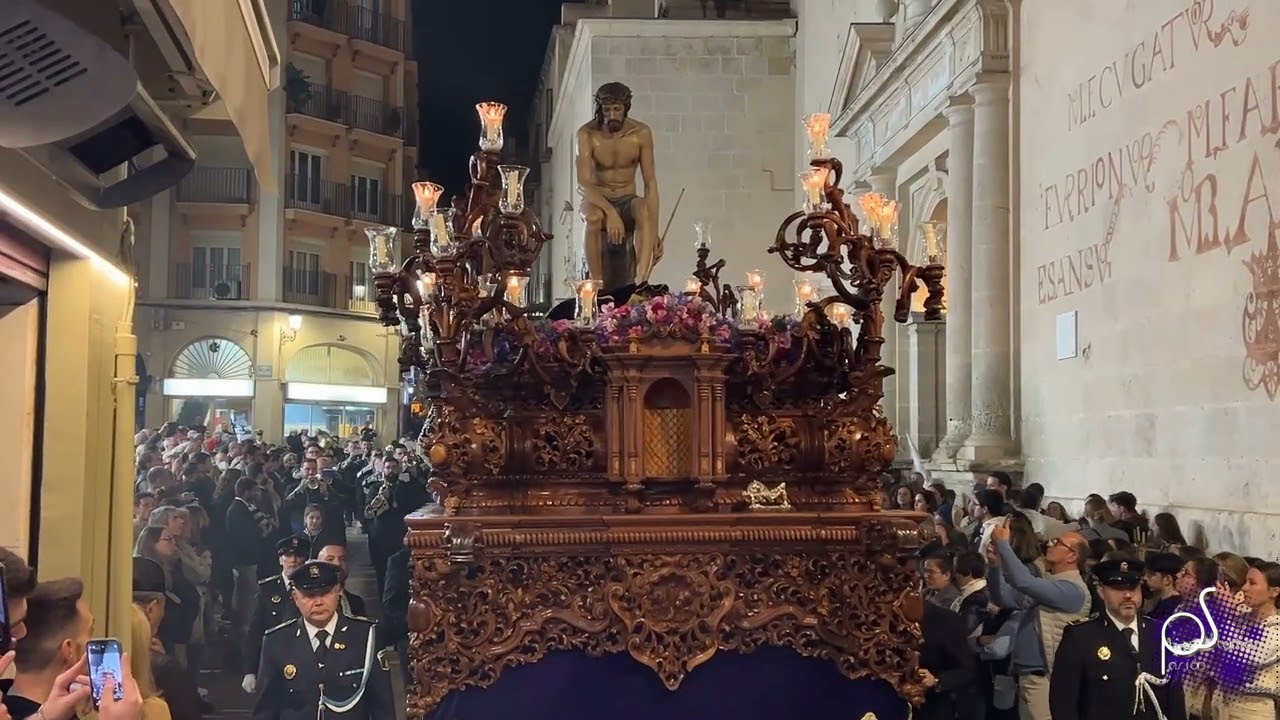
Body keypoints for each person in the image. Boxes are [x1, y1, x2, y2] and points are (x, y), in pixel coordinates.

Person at [1049, 555, 1188, 720]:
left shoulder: (1159, 633)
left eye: (1133, 587)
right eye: (1118, 589)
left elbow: (1174, 696)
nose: (1128, 595)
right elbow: (1063, 702)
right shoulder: (1081, 637)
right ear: (1101, 591)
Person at [251, 561, 394, 720]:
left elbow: (383, 708)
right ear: (295, 598)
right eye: (310, 595)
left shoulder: (366, 636)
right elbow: (265, 711)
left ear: (338, 592)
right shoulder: (276, 642)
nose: (319, 602)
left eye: (326, 593)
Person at [576, 81, 661, 289]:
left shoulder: (641, 133)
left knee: (642, 207)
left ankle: (641, 279)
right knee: (593, 218)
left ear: (626, 108)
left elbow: (650, 183)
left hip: (627, 199)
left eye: (617, 109)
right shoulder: (587, 134)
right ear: (599, 110)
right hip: (597, 199)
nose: (612, 115)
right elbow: (584, 183)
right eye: (606, 110)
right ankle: (598, 285)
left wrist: (654, 232)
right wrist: (610, 212)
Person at [241, 536, 308, 693]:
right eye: (288, 555)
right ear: (280, 559)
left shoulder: (311, 589)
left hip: (305, 659)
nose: (293, 560)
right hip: (272, 661)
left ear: (305, 559)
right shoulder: (267, 589)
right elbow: (255, 632)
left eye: (298, 556)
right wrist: (250, 671)